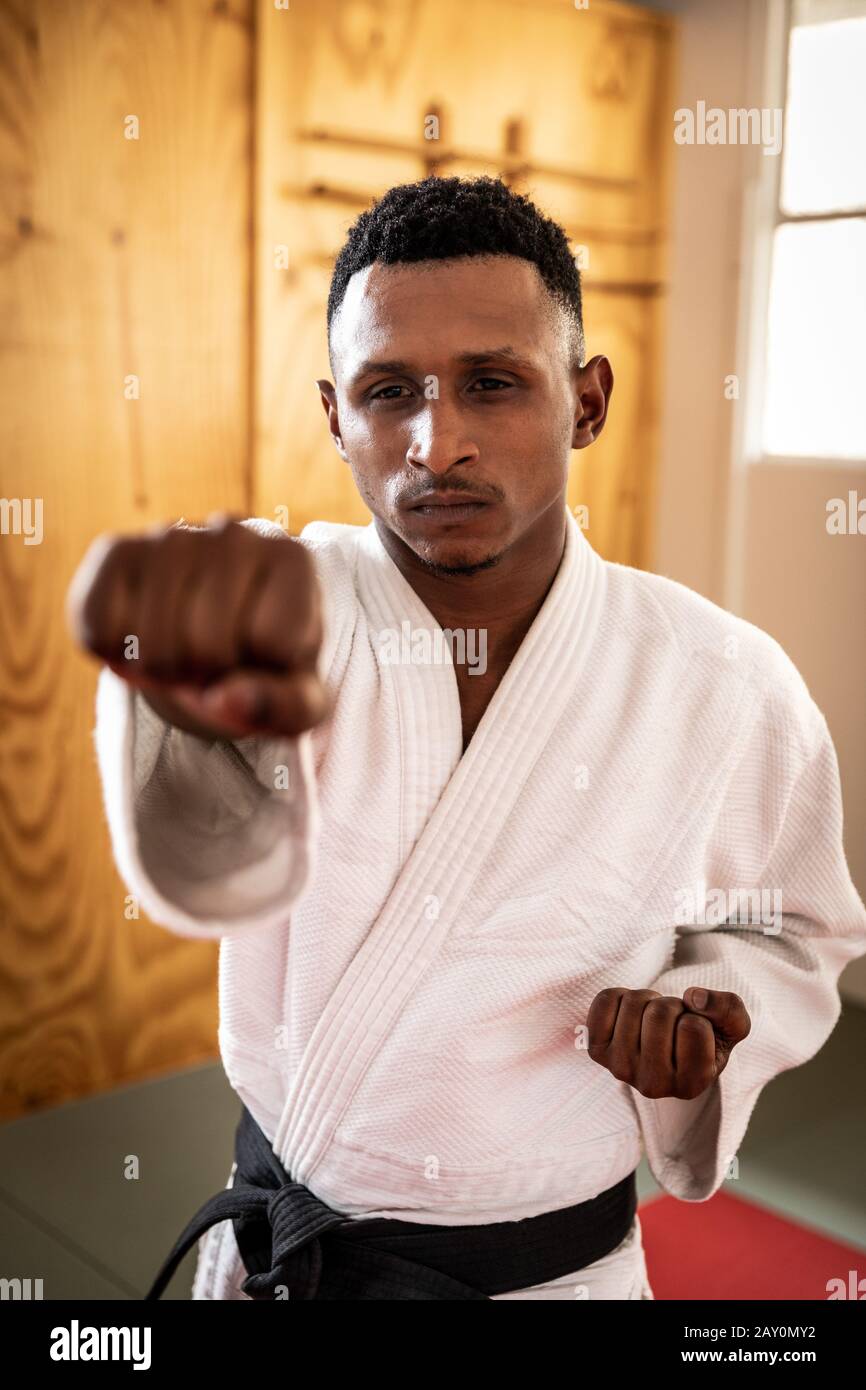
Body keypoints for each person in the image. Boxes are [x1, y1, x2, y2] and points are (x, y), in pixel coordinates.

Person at [67, 175, 866, 1300]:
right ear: (334, 414)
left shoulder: (726, 686)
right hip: (278, 1258)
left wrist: (700, 1019)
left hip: (546, 1277)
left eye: (492, 384)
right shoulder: (275, 617)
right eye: (389, 391)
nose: (436, 444)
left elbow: (795, 928)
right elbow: (202, 868)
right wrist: (167, 674)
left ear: (584, 401)